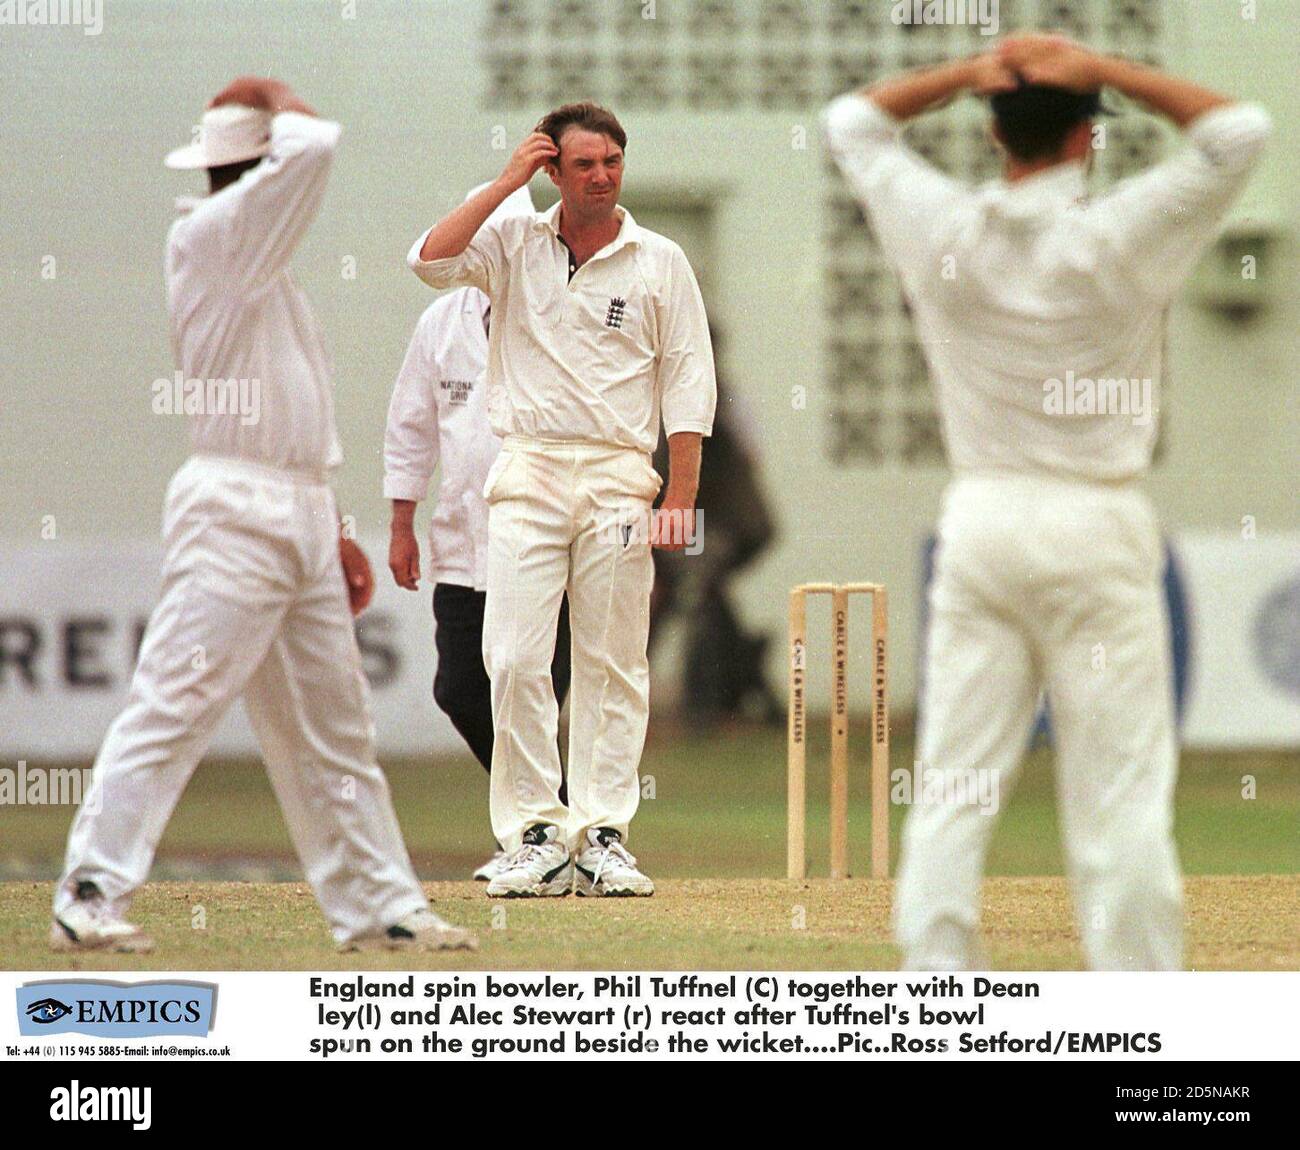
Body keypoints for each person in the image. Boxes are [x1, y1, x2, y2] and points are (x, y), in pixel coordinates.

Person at [823, 35, 1270, 969]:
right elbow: (1238, 131)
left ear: (992, 131)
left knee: (953, 781)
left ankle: (937, 988)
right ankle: (1140, 1006)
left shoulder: (942, 228)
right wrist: (1100, 62)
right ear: (1086, 140)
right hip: (1095, 520)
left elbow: (853, 123)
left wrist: (962, 71)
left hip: (981, 516)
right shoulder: (1117, 233)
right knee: (1119, 792)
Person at [52, 77, 475, 953]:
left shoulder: (261, 268)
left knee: (336, 726)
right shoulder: (213, 236)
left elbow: (293, 411)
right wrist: (266, 90)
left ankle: (377, 907)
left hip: (298, 511)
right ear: (252, 172)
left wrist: (337, 526)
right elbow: (315, 145)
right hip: (233, 511)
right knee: (174, 702)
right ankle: (90, 891)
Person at [407, 102, 716, 897]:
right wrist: (507, 181)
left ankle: (605, 833)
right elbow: (430, 262)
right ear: (553, 170)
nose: (602, 175)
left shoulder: (659, 259)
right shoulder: (512, 243)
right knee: (511, 656)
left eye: (612, 160)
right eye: (584, 164)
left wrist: (680, 495)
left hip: (618, 474)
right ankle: (537, 834)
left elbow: (687, 379)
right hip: (530, 471)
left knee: (613, 661)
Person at [384, 185, 573, 881]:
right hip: (463, 542)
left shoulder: (558, 315)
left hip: (550, 538)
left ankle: (539, 831)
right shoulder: (441, 322)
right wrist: (401, 521)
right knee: (460, 686)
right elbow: (411, 423)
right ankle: (554, 816)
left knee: (534, 686)